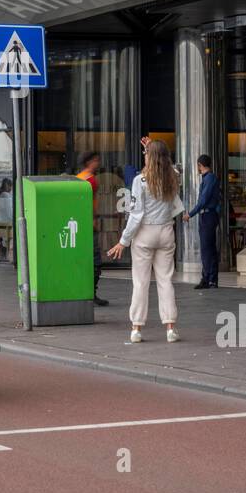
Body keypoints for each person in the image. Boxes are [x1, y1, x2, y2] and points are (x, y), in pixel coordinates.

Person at [107, 139, 180, 344]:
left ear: (151, 157)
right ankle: (170, 328)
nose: (144, 156)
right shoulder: (174, 177)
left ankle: (136, 328)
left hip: (145, 233)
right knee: (165, 281)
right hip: (166, 232)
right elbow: (171, 165)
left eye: (146, 153)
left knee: (140, 282)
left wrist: (123, 241)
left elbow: (136, 214)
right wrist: (154, 147)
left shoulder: (141, 181)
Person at [75, 152, 108, 306]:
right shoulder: (89, 180)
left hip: (81, 223)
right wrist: (93, 219)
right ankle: (91, 293)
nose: (98, 163)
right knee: (95, 259)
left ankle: (85, 291)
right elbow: (88, 203)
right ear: (89, 162)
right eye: (96, 160)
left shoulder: (78, 177)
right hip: (89, 223)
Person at [185, 154, 221, 290]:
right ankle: (210, 279)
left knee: (207, 249)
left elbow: (203, 200)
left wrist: (190, 214)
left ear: (200, 165)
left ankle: (208, 279)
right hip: (207, 216)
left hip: (208, 216)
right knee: (209, 248)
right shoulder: (208, 178)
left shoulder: (210, 178)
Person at [0, 178, 14, 263]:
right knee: (6, 240)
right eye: (10, 186)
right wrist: (12, 219)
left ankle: (2, 257)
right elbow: (9, 210)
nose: (11, 188)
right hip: (5, 221)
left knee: (1, 240)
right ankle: (4, 257)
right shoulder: (6, 195)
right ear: (7, 185)